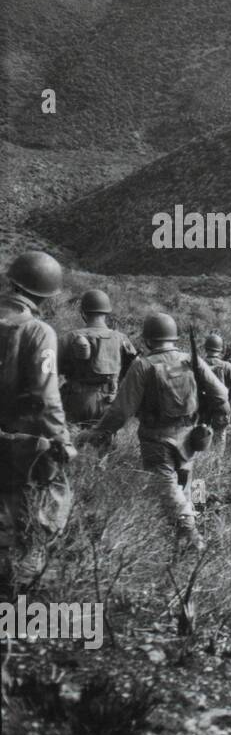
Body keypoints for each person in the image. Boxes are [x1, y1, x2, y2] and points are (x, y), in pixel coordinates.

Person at [83, 312, 228, 552]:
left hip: (156, 437)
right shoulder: (190, 360)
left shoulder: (143, 365)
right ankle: (198, 516)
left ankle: (189, 532)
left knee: (166, 483)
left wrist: (101, 431)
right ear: (173, 337)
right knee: (192, 478)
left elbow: (121, 411)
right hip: (191, 434)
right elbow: (221, 393)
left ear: (148, 339)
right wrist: (211, 415)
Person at [0, 252, 75, 588]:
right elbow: (47, 397)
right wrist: (62, 440)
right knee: (34, 513)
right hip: (16, 440)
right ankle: (20, 590)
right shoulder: (37, 331)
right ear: (46, 294)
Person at [57, 289, 138, 426]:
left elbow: (52, 371)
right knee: (104, 438)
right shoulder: (121, 338)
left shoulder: (70, 338)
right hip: (110, 402)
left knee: (74, 436)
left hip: (76, 401)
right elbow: (135, 372)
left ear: (83, 313)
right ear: (106, 313)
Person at [201, 334, 231, 455]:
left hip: (201, 405)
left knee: (201, 434)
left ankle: (203, 459)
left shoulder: (198, 364)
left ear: (205, 348)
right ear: (221, 349)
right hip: (221, 405)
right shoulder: (226, 366)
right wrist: (230, 402)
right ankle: (217, 462)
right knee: (220, 435)